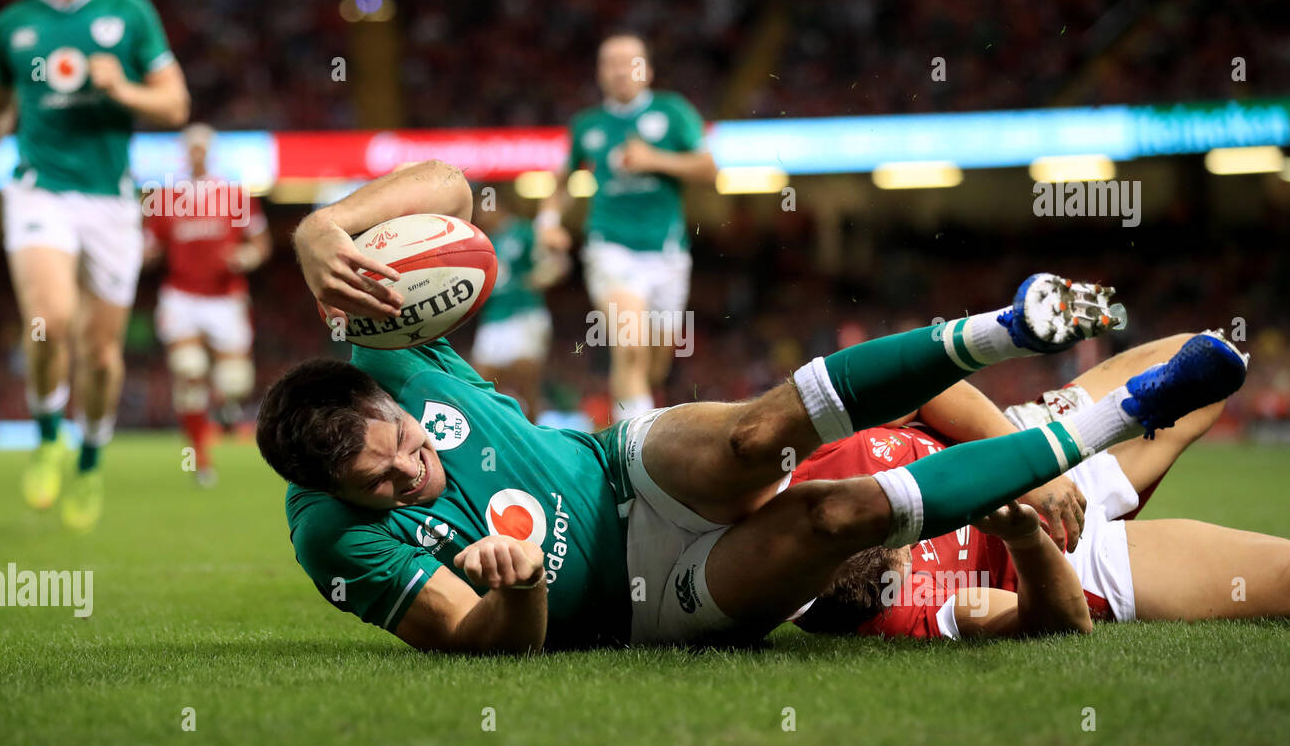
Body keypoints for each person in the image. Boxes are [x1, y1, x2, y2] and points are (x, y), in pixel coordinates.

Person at [255, 160, 1245, 655]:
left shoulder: (386, 350)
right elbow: (471, 638)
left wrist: (323, 226)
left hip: (619, 468)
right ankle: (1105, 421)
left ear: (383, 392)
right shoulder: (334, 538)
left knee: (754, 433)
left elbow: (452, 190)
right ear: (332, 494)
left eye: (400, 443)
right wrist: (519, 592)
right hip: (651, 601)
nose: (409, 471)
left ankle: (1010, 326)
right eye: (379, 483)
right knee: (835, 516)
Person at [789, 335, 1287, 639]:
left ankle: (1084, 430)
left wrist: (1032, 467)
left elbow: (925, 388)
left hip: (1028, 444)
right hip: (1075, 558)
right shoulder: (892, 610)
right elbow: (1061, 622)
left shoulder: (811, 462)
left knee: (1208, 363)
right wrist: (1024, 536)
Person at [0, 0, 190, 530]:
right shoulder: (10, 26)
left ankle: (90, 459)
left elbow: (176, 106)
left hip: (110, 201)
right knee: (49, 319)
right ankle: (49, 434)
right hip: (38, 190)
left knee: (101, 357)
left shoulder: (128, 12)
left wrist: (121, 87)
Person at [536, 33, 717, 423]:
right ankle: (636, 444)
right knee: (629, 342)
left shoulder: (673, 111)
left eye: (629, 62)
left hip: (667, 252)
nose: (620, 70)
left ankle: (633, 416)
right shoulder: (588, 125)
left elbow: (708, 169)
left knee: (654, 364)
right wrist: (548, 222)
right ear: (600, 73)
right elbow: (563, 180)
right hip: (610, 246)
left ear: (647, 70)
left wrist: (655, 159)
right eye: (610, 63)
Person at [144, 123, 271, 486]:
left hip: (225, 296)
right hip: (181, 294)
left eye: (202, 147)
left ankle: (226, 407)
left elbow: (260, 244)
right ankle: (199, 454)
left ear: (210, 152)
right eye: (191, 148)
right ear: (185, 153)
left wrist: (246, 257)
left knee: (234, 381)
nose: (196, 154)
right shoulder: (165, 198)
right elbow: (151, 248)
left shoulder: (235, 195)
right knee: (189, 369)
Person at [468, 203, 568, 421]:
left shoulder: (523, 231)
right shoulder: (483, 242)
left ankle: (533, 432)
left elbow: (558, 262)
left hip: (524, 313)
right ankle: (495, 431)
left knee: (527, 384)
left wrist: (540, 277)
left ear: (498, 206)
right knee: (481, 383)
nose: (480, 217)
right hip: (493, 318)